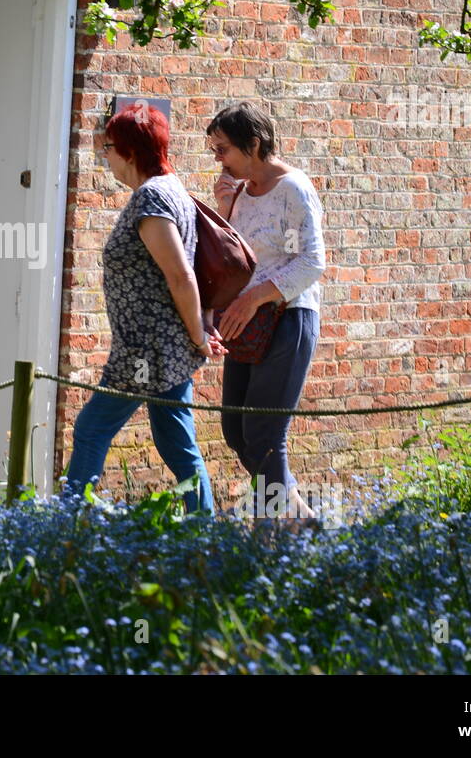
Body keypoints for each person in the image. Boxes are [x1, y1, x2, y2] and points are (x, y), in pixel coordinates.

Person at [65, 102, 227, 514]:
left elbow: (181, 275)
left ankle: (68, 524)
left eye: (109, 149)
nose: (106, 158)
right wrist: (194, 334)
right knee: (176, 441)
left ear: (130, 153)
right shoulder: (171, 190)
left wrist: (198, 334)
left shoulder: (152, 198)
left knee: (91, 427)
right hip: (164, 346)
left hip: (148, 351)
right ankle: (203, 530)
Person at [208, 101, 326, 524]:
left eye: (223, 149)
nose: (218, 159)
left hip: (288, 317)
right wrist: (223, 211)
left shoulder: (293, 188)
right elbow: (230, 260)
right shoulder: (239, 193)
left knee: (264, 432)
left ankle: (277, 527)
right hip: (244, 323)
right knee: (236, 430)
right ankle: (297, 516)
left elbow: (312, 262)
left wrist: (255, 298)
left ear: (253, 144)